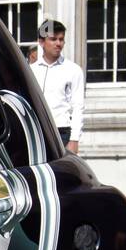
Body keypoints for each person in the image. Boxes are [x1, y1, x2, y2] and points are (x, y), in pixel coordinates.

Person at [29, 19, 83, 154]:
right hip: (36, 131)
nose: (58, 43)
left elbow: (78, 106)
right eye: (53, 39)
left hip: (61, 132)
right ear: (41, 42)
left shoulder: (73, 70)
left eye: (61, 39)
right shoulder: (30, 70)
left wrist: (74, 140)